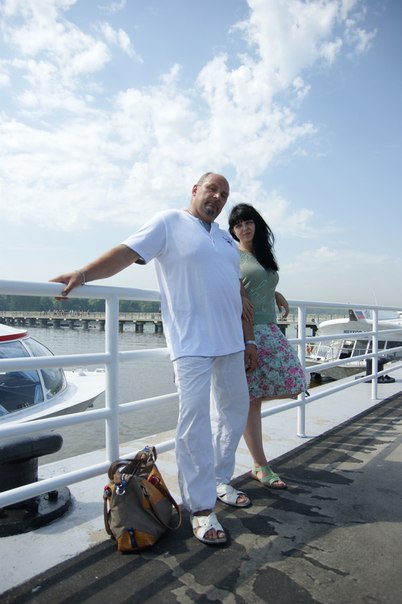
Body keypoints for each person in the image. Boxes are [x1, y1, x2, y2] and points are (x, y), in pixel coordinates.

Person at [51, 173, 258, 546]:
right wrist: (83, 274)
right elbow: (126, 252)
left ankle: (219, 479)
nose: (218, 196)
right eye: (212, 189)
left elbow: (234, 280)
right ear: (195, 190)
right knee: (195, 424)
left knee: (234, 412)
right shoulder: (168, 222)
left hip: (230, 341)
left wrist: (246, 320)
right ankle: (200, 508)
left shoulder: (225, 238)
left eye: (224, 193)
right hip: (192, 343)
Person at [228, 203, 307, 489]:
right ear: (233, 231)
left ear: (257, 224)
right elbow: (233, 287)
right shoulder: (231, 254)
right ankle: (260, 465)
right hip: (246, 330)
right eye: (238, 225)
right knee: (252, 400)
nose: (244, 228)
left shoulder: (262, 253)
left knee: (296, 381)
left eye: (248, 222)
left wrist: (276, 294)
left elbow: (259, 281)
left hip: (269, 328)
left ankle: (258, 462)